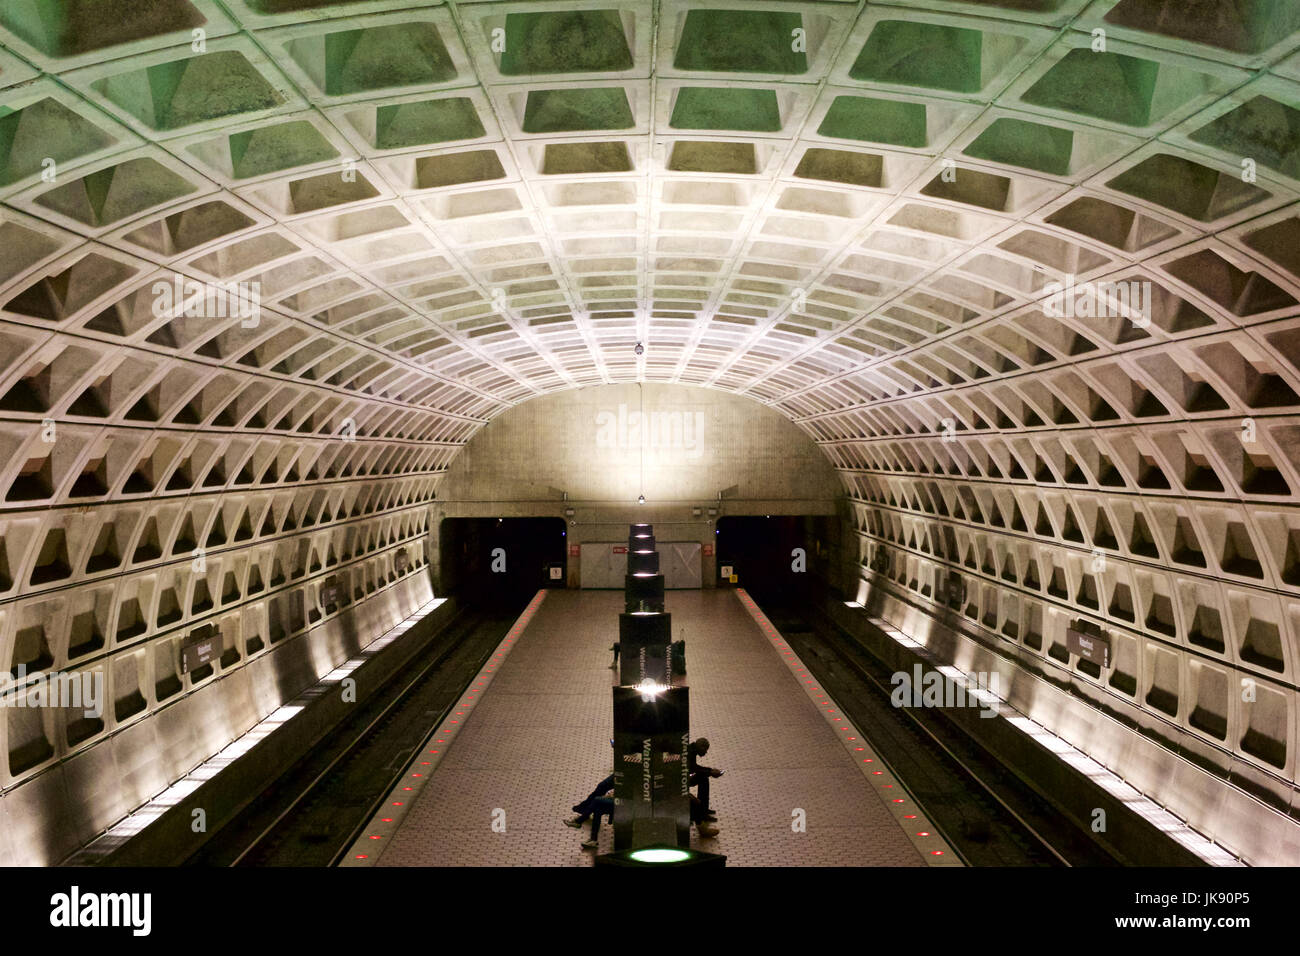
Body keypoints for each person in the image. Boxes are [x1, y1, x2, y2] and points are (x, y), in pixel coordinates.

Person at [565, 773, 614, 849]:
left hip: (621, 802)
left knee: (597, 800)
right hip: (616, 799)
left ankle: (579, 821)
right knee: (598, 809)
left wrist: (611, 795)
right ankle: (593, 840)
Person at [688, 737, 722, 823]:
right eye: (705, 750)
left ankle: (704, 809)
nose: (706, 752)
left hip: (685, 777)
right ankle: (702, 814)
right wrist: (710, 771)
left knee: (703, 778)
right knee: (703, 779)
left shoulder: (692, 750)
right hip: (681, 780)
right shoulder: (690, 752)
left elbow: (694, 767)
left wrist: (709, 771)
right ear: (701, 747)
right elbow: (693, 768)